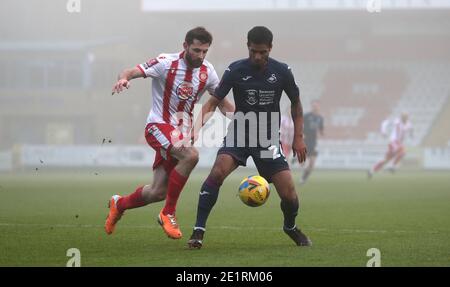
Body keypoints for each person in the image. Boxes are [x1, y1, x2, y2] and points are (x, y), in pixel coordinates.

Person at [187, 26, 312, 249]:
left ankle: (290, 227)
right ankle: (198, 230)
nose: (257, 56)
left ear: (270, 49)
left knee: (290, 194)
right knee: (218, 171)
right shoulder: (235, 70)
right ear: (248, 46)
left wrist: (299, 137)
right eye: (253, 51)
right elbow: (214, 102)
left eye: (262, 52)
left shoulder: (282, 71)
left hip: (267, 139)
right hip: (240, 133)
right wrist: (196, 128)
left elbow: (296, 104)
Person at [105, 27, 233, 239]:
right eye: (196, 50)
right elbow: (130, 71)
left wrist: (247, 119)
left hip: (179, 136)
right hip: (158, 126)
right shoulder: (165, 63)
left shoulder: (208, 71)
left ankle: (119, 204)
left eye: (204, 51)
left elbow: (223, 104)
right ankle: (168, 212)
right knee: (191, 155)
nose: (200, 55)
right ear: (185, 46)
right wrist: (123, 79)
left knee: (157, 192)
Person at [368, 112, 413, 178]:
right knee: (402, 152)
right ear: (401, 117)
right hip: (393, 141)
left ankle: (371, 171)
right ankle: (392, 166)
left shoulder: (409, 124)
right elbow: (385, 123)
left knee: (386, 160)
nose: (405, 118)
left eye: (406, 117)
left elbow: (411, 129)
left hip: (398, 143)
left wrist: (411, 134)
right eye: (403, 116)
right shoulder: (397, 121)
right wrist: (383, 131)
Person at [300, 100, 324, 185]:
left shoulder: (320, 118)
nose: (315, 107)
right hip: (305, 141)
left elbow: (321, 130)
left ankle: (303, 178)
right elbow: (299, 125)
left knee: (312, 165)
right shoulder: (306, 116)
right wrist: (301, 134)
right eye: (313, 106)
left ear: (319, 107)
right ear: (311, 107)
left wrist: (321, 134)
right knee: (302, 163)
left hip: (313, 143)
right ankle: (296, 159)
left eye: (316, 106)